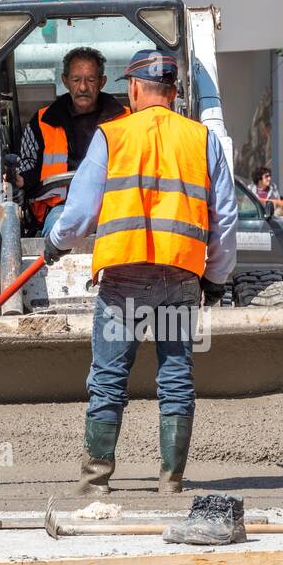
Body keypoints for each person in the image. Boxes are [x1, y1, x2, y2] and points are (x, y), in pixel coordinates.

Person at [44, 50, 238, 495]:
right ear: (174, 92)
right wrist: (216, 276)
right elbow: (224, 216)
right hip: (181, 278)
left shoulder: (112, 136)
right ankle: (171, 481)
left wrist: (55, 244)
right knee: (175, 376)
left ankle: (95, 482)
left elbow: (78, 218)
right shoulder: (201, 138)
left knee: (110, 376)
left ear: (132, 88)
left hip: (125, 283)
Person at [16, 47, 128, 234]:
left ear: (102, 82)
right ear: (65, 81)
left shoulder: (126, 120)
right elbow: (28, 170)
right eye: (76, 80)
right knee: (61, 231)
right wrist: (17, 178)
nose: (83, 87)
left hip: (113, 205)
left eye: (91, 80)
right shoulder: (42, 122)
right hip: (62, 209)